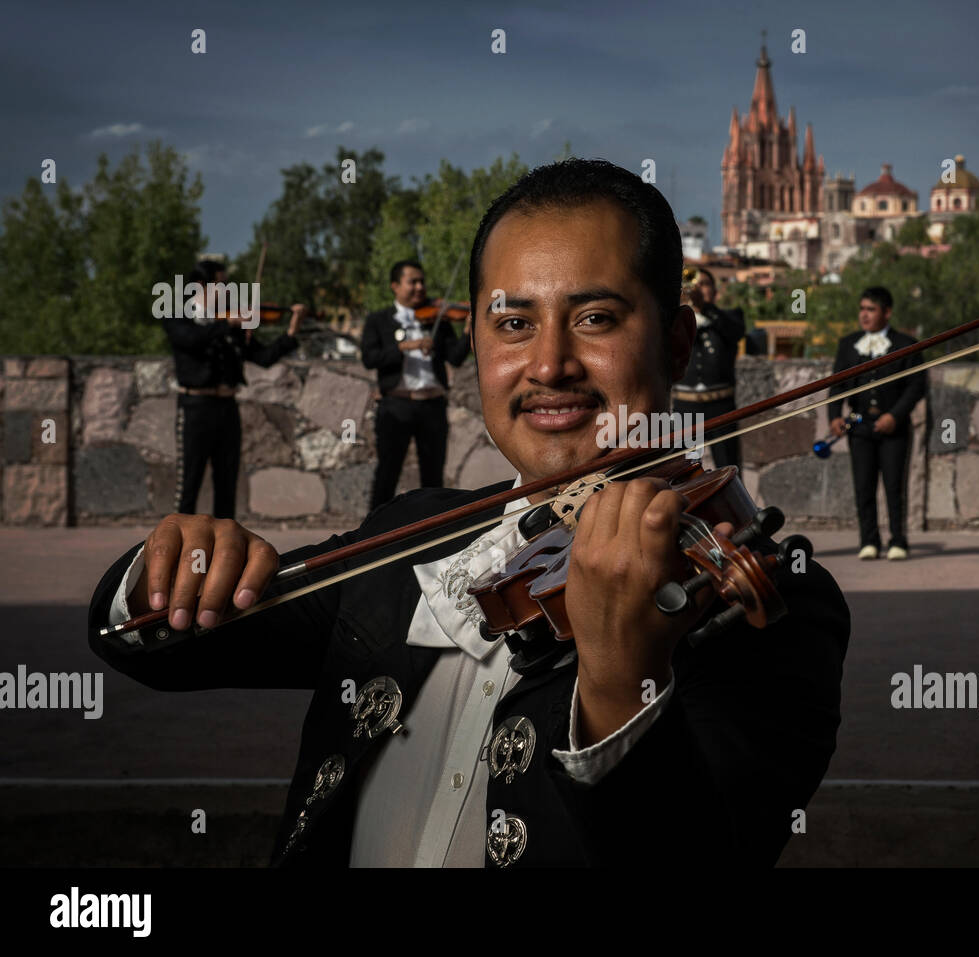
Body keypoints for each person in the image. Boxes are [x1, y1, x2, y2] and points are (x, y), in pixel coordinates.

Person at [87, 158, 849, 868]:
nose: (549, 364)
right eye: (514, 323)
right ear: (479, 342)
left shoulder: (775, 608)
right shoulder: (412, 534)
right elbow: (145, 644)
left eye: (595, 319)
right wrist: (173, 563)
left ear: (678, 343)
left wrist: (625, 683)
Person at [165, 260, 302, 519]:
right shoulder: (178, 316)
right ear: (200, 286)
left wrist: (292, 330)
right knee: (189, 483)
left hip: (227, 408)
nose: (228, 290)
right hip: (195, 408)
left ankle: (223, 548)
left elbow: (263, 357)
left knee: (227, 483)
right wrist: (228, 323)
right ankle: (180, 546)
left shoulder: (231, 324)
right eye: (222, 284)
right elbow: (191, 339)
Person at [361, 260, 473, 512]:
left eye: (422, 281)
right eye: (413, 281)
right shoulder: (378, 320)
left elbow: (454, 357)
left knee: (433, 477)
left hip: (433, 405)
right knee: (387, 472)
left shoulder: (439, 319)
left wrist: (468, 332)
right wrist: (404, 346)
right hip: (396, 404)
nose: (420, 287)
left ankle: (431, 535)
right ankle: (371, 536)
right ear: (395, 286)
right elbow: (370, 358)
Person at [828, 287, 926, 560]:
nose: (864, 315)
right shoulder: (848, 344)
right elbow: (837, 384)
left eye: (871, 309)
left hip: (893, 427)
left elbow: (917, 386)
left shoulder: (907, 344)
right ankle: (868, 541)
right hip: (859, 426)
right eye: (862, 308)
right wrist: (834, 415)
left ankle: (898, 540)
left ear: (887, 312)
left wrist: (894, 415)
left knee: (894, 486)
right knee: (863, 487)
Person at [672, 267, 746, 469]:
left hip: (721, 406)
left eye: (704, 284)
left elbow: (735, 332)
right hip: (685, 408)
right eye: (694, 284)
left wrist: (704, 307)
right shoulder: (676, 323)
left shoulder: (730, 316)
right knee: (682, 471)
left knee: (729, 469)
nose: (698, 288)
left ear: (714, 290)